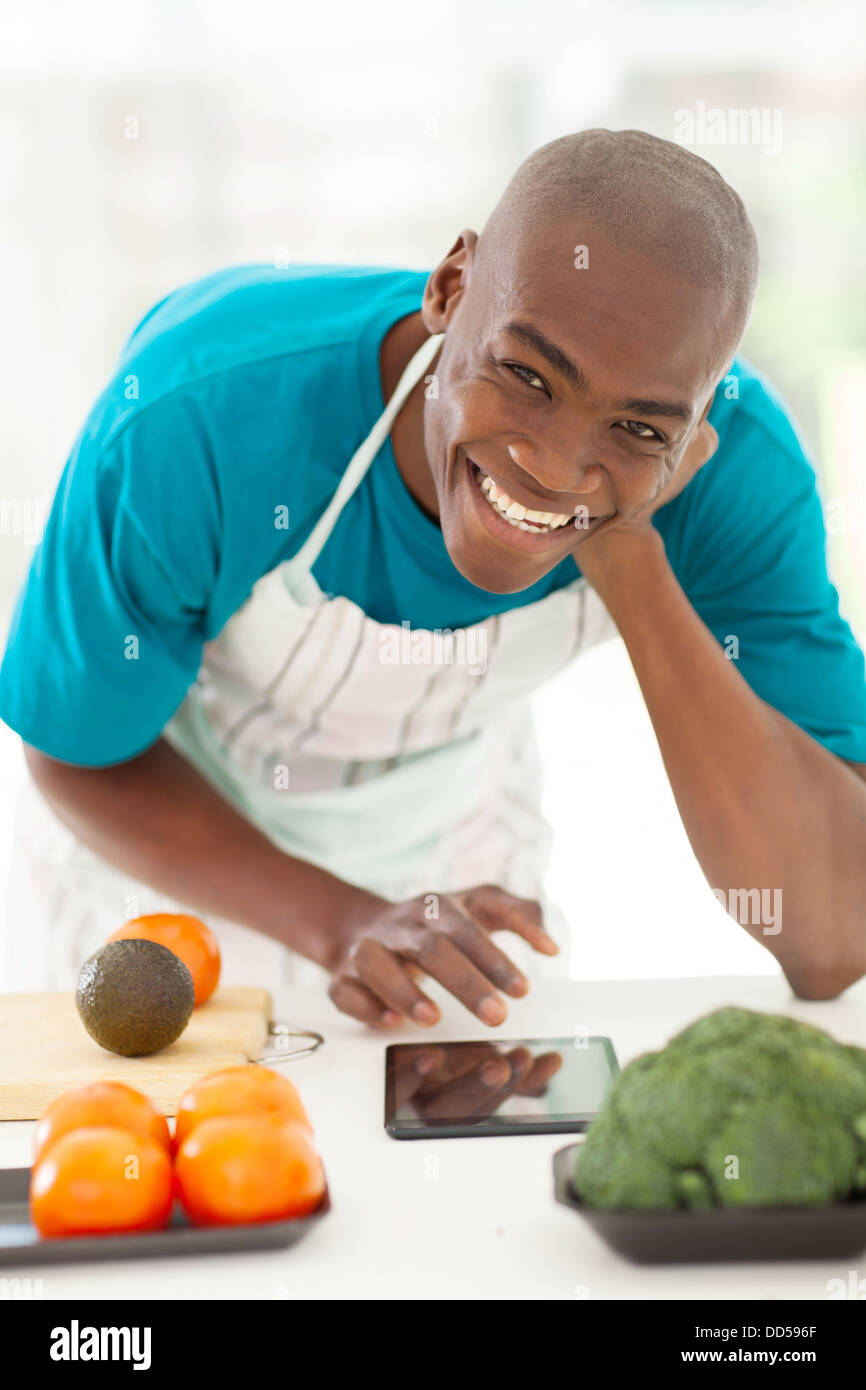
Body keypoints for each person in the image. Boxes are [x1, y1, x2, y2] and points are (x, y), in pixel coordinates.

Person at [2, 129, 865, 1027]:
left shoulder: (741, 476)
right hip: (164, 883)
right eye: (528, 374)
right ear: (452, 286)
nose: (559, 467)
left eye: (642, 430)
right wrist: (341, 923)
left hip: (453, 897)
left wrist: (626, 552)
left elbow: (833, 932)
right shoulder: (200, 413)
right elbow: (79, 757)